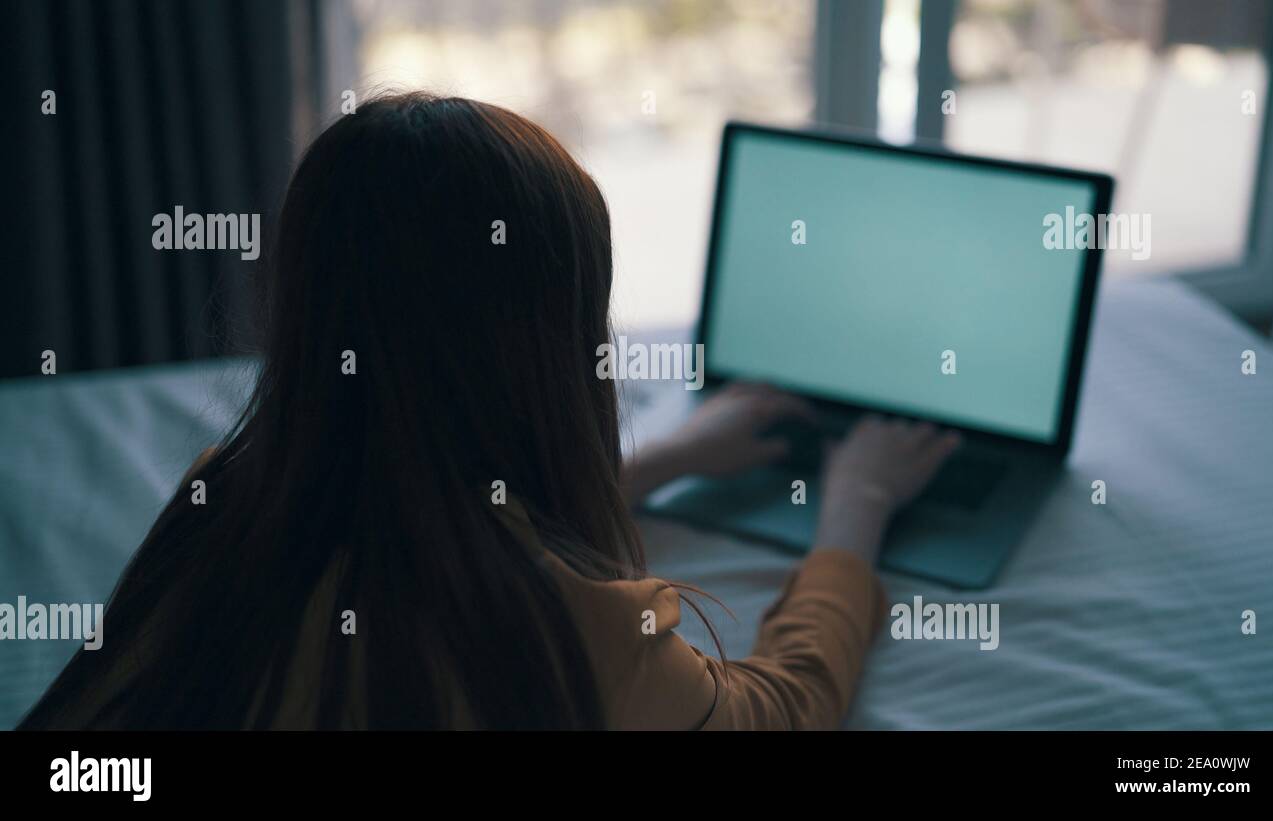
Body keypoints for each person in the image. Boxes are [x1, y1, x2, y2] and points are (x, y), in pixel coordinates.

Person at [19, 93, 959, 730]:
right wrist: (855, 511)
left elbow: (414, 501)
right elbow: (780, 708)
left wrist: (670, 456)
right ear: (543, 355)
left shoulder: (221, 502)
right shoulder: (564, 630)